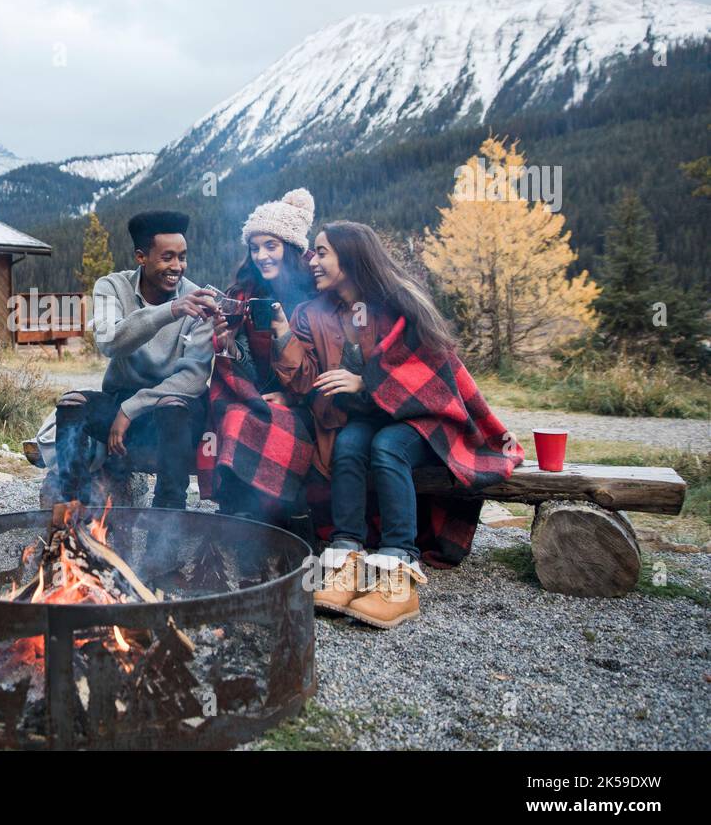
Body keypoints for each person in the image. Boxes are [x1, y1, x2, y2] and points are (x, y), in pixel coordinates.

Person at [270, 220, 522, 628]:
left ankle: (397, 575)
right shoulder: (314, 313)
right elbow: (306, 382)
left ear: (350, 258)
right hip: (368, 418)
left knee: (387, 446)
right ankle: (346, 560)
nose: (311, 261)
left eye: (321, 252)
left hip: (426, 420)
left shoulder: (400, 302)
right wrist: (284, 337)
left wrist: (364, 382)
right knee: (350, 444)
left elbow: (430, 376)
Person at [45, 210, 215, 515]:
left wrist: (131, 408)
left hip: (177, 414)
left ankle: (167, 519)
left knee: (173, 407)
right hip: (124, 407)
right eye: (167, 257)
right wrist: (170, 311)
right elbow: (110, 341)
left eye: (182, 257)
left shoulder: (199, 298)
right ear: (141, 257)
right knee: (71, 405)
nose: (177, 266)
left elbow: (193, 379)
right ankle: (72, 510)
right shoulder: (112, 287)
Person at [205, 190, 318, 542]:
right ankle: (242, 520)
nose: (262, 256)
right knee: (237, 416)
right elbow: (242, 372)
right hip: (255, 394)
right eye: (255, 248)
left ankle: (287, 521)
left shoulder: (318, 292)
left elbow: (325, 364)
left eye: (271, 245)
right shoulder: (244, 294)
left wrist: (292, 398)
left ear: (291, 246)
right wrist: (227, 344)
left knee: (253, 421)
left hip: (308, 401)